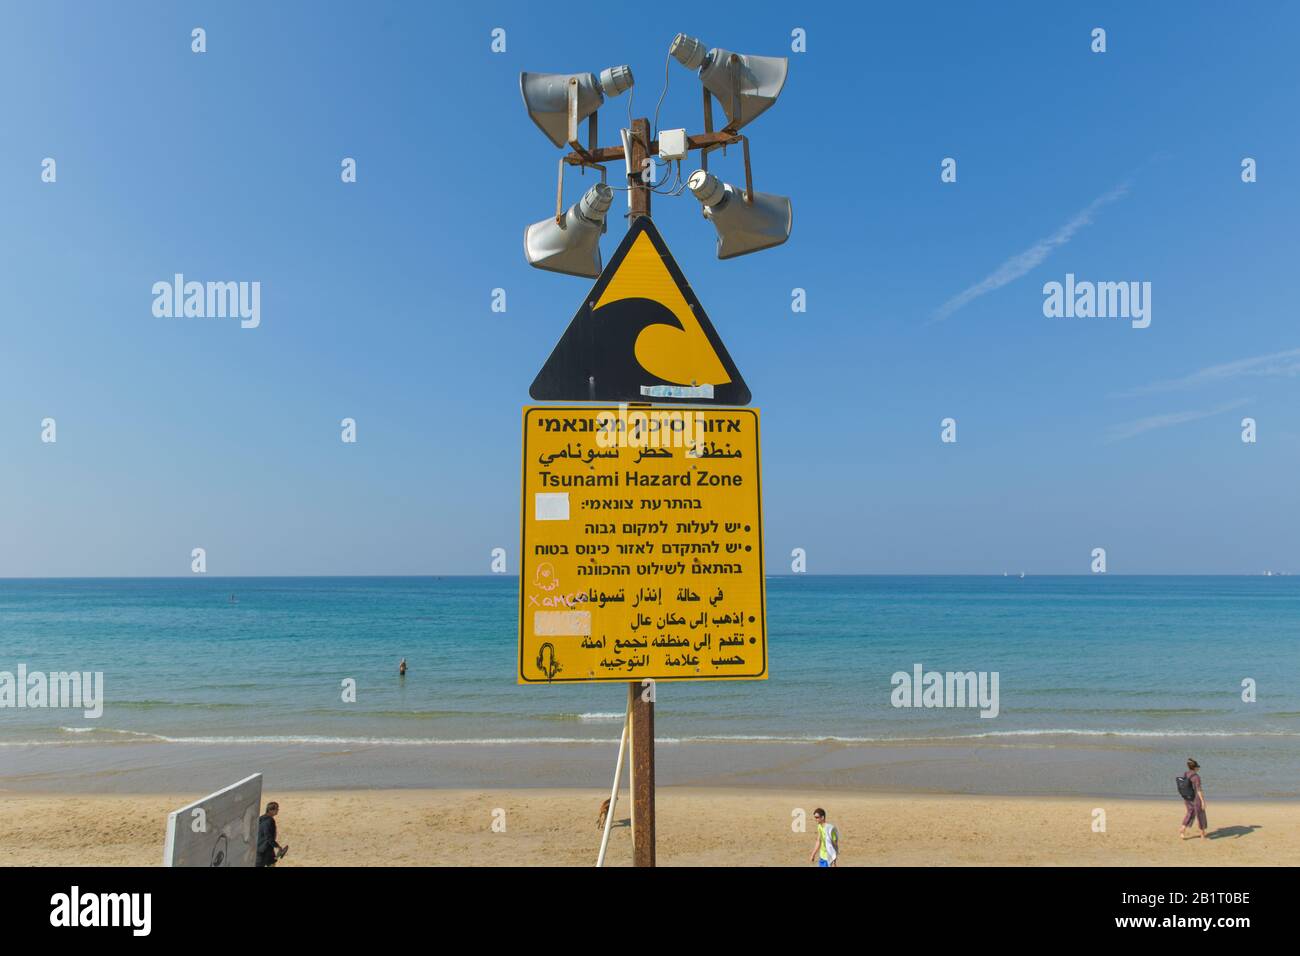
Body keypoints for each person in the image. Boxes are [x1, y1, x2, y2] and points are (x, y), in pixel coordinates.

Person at [1179, 758, 1208, 840]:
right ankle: (1202, 834)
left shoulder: (1185, 773)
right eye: (1198, 767)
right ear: (1195, 768)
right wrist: (1203, 801)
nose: (1198, 768)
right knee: (1201, 814)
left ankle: (1183, 829)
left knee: (1190, 813)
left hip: (1187, 797)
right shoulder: (1196, 777)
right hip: (1195, 798)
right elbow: (1198, 789)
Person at [256, 801, 287, 866]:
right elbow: (268, 836)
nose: (278, 810)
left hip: (263, 848)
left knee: (272, 863)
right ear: (270, 810)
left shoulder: (261, 818)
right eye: (276, 809)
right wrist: (277, 846)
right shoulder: (269, 820)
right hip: (264, 850)